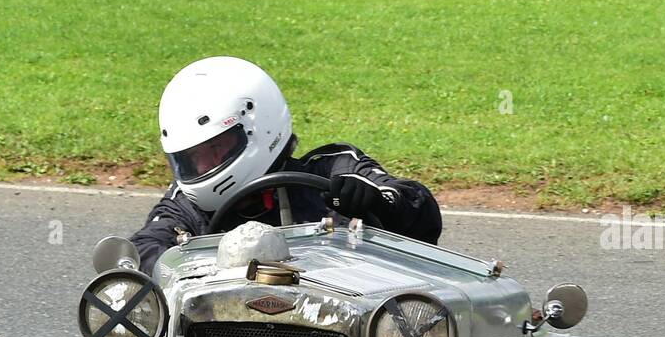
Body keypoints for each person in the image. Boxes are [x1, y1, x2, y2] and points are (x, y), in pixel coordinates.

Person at [131, 57, 443, 273]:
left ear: (259, 125)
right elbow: (144, 246)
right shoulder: (187, 206)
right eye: (191, 158)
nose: (204, 164)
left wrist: (379, 203)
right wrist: (195, 269)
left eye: (215, 148)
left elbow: (419, 210)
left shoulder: (333, 171)